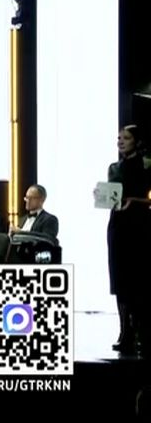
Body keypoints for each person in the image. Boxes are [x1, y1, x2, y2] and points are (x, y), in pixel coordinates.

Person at [104, 125, 151, 355]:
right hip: (118, 226)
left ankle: (142, 332)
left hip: (140, 225)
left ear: (136, 141)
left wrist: (136, 201)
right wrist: (103, 197)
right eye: (119, 138)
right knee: (120, 280)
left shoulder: (147, 165)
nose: (121, 141)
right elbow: (112, 196)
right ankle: (125, 333)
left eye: (126, 138)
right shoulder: (114, 167)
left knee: (138, 279)